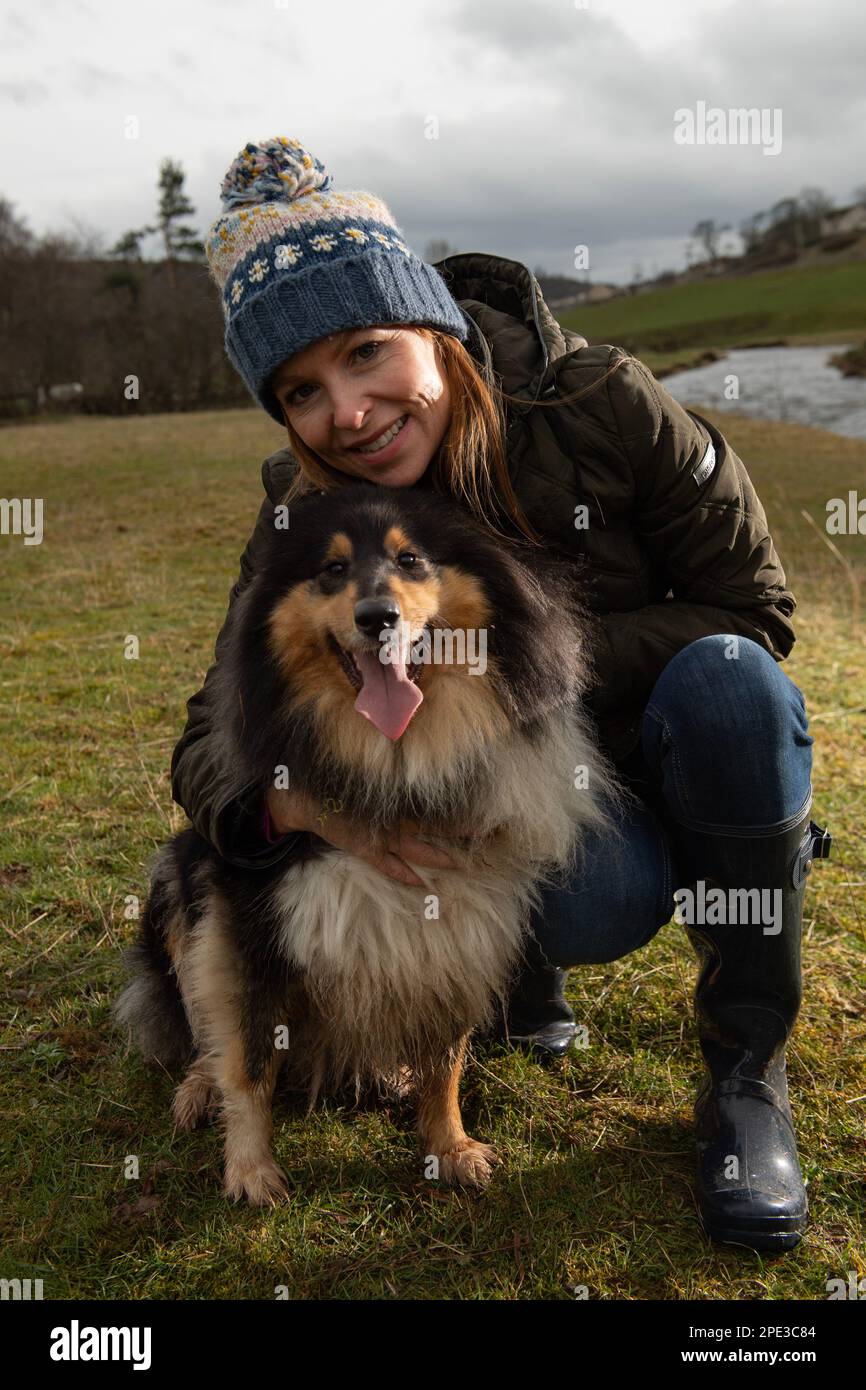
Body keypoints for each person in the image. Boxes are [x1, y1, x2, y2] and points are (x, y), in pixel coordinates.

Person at [170, 135, 831, 1252]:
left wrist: (515, 665)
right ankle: (517, 986)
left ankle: (744, 1079)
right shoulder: (304, 504)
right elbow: (206, 734)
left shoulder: (601, 401)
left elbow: (753, 611)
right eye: (300, 390)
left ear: (425, 320)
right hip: (483, 821)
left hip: (634, 760)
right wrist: (292, 805)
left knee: (734, 688)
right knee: (568, 896)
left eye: (366, 351)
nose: (348, 412)